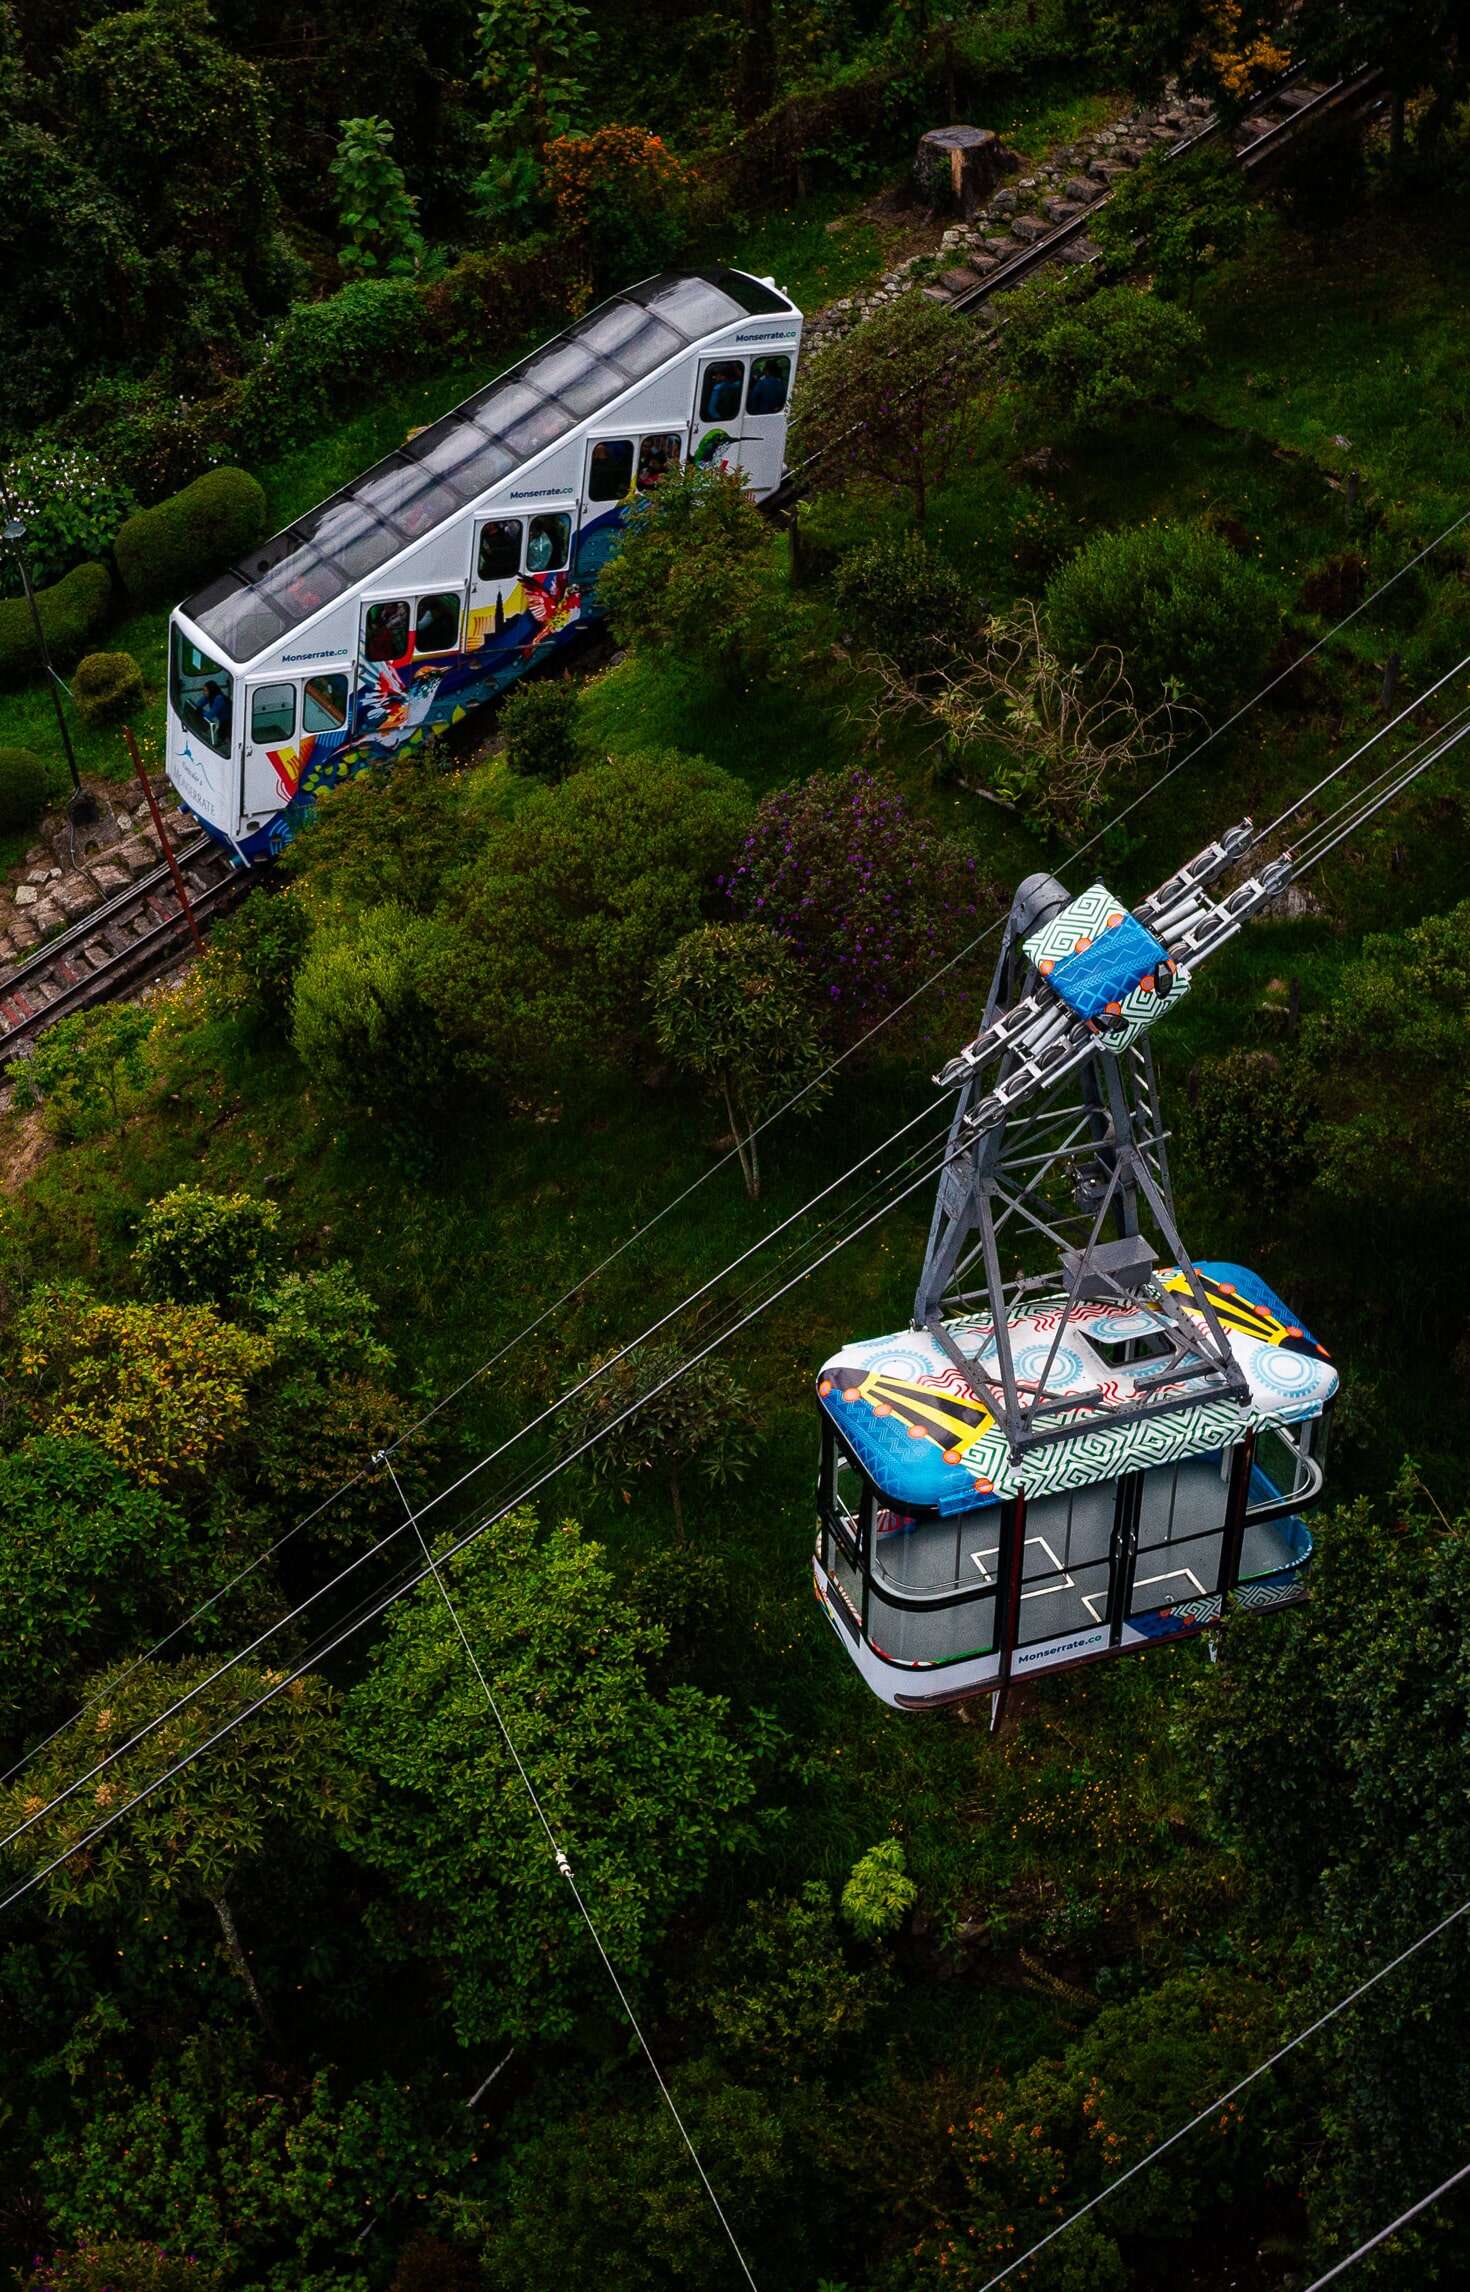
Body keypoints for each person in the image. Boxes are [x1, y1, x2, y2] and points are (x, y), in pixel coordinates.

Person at [199, 681, 229, 746]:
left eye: (205, 691)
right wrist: (197, 708)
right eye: (203, 690)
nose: (204, 693)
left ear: (211, 690)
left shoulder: (219, 698)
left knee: (223, 738)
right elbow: (199, 704)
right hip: (222, 720)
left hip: (228, 720)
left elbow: (211, 714)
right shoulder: (210, 696)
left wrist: (200, 713)